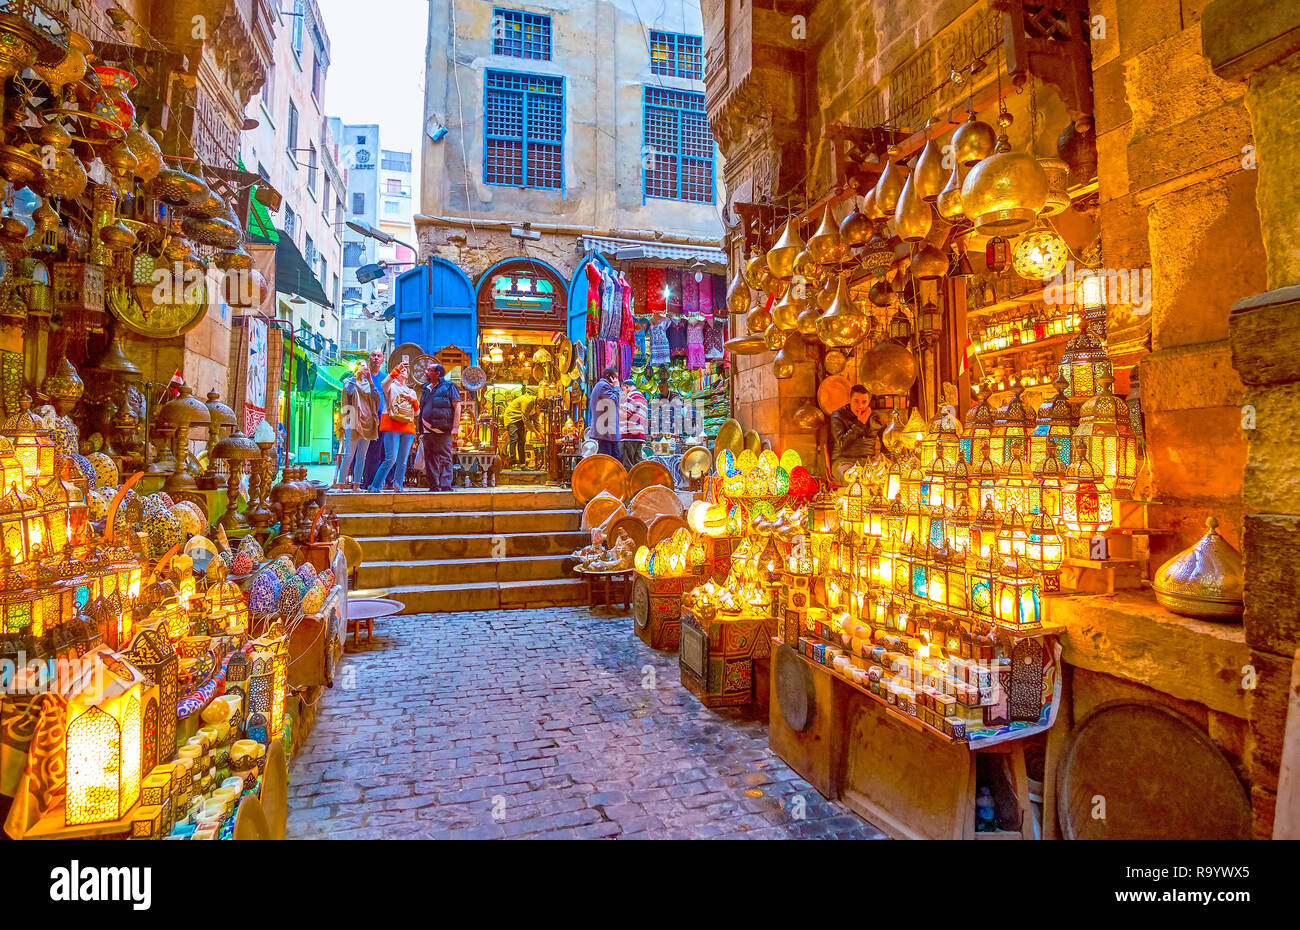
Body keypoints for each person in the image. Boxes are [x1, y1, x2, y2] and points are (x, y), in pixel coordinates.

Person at [369, 361, 418, 492]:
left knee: (402, 460)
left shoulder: (412, 392)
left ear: (408, 375)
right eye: (401, 371)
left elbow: (417, 412)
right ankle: (375, 486)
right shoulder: (391, 387)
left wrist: (413, 400)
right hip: (392, 425)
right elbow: (383, 384)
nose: (403, 372)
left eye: (405, 371)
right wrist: (398, 368)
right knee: (391, 459)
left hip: (407, 427)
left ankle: (398, 486)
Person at [830, 384, 888, 484]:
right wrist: (859, 424)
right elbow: (842, 443)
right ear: (850, 399)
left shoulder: (876, 417)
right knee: (853, 480)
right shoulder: (838, 415)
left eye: (864, 402)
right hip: (843, 462)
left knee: (889, 478)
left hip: (867, 463)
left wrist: (883, 457)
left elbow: (887, 440)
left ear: (869, 401)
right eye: (856, 401)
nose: (860, 406)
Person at [334, 364, 380, 490]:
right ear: (356, 368)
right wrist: (355, 378)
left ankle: (357, 484)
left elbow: (376, 397)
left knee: (362, 456)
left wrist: (370, 381)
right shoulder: (348, 381)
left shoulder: (368, 383)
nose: (363, 368)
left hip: (367, 421)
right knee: (349, 454)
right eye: (361, 365)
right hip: (353, 420)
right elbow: (348, 392)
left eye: (365, 366)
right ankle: (341, 485)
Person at [419, 362, 461, 492]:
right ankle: (433, 486)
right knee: (430, 459)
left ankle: (445, 486)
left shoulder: (449, 386)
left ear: (437, 373)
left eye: (430, 370)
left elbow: (457, 405)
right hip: (427, 431)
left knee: (444, 458)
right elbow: (422, 409)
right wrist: (420, 430)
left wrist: (455, 426)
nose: (427, 372)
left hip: (442, 428)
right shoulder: (426, 388)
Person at [358, 349, 388, 489]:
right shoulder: (362, 375)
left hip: (381, 419)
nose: (376, 358)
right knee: (363, 452)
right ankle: (362, 482)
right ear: (369, 358)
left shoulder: (385, 377)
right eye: (373, 355)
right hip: (364, 418)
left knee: (377, 453)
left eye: (379, 356)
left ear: (382, 360)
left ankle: (374, 483)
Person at [588, 366, 621, 458]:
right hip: (605, 433)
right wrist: (617, 387)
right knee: (608, 460)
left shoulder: (604, 386)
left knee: (615, 459)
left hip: (608, 433)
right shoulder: (603, 386)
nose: (617, 380)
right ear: (609, 376)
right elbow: (615, 401)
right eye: (615, 377)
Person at [502, 391, 537, 468]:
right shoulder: (527, 401)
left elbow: (535, 420)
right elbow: (525, 419)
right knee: (514, 439)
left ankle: (522, 463)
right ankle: (513, 462)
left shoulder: (534, 404)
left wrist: (539, 432)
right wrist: (535, 431)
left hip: (519, 420)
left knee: (522, 440)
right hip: (511, 418)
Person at [619, 379, 647, 468]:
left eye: (622, 389)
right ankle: (639, 482)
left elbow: (626, 414)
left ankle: (628, 482)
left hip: (629, 436)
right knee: (637, 466)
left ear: (626, 386)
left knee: (627, 465)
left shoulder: (632, 395)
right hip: (639, 435)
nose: (623, 392)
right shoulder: (643, 398)